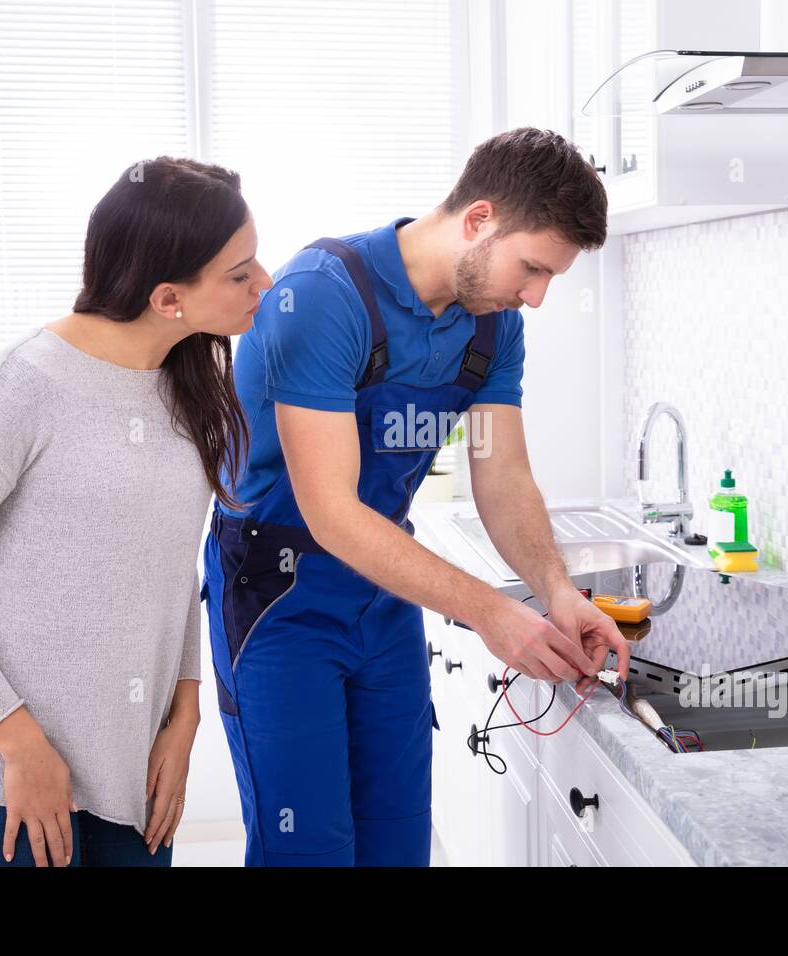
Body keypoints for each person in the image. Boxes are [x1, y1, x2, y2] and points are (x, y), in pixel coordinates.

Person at [203, 127, 630, 866]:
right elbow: (330, 512)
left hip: (381, 600)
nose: (537, 297)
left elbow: (501, 474)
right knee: (311, 852)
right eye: (532, 268)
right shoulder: (321, 299)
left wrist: (555, 590)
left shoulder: (493, 329)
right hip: (278, 605)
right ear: (478, 220)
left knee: (397, 845)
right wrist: (493, 611)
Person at [0, 157, 272, 866]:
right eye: (240, 273)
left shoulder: (183, 383)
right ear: (167, 298)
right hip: (9, 785)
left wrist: (182, 721)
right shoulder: (19, 386)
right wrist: (23, 748)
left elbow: (170, 567)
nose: (265, 284)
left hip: (133, 780)